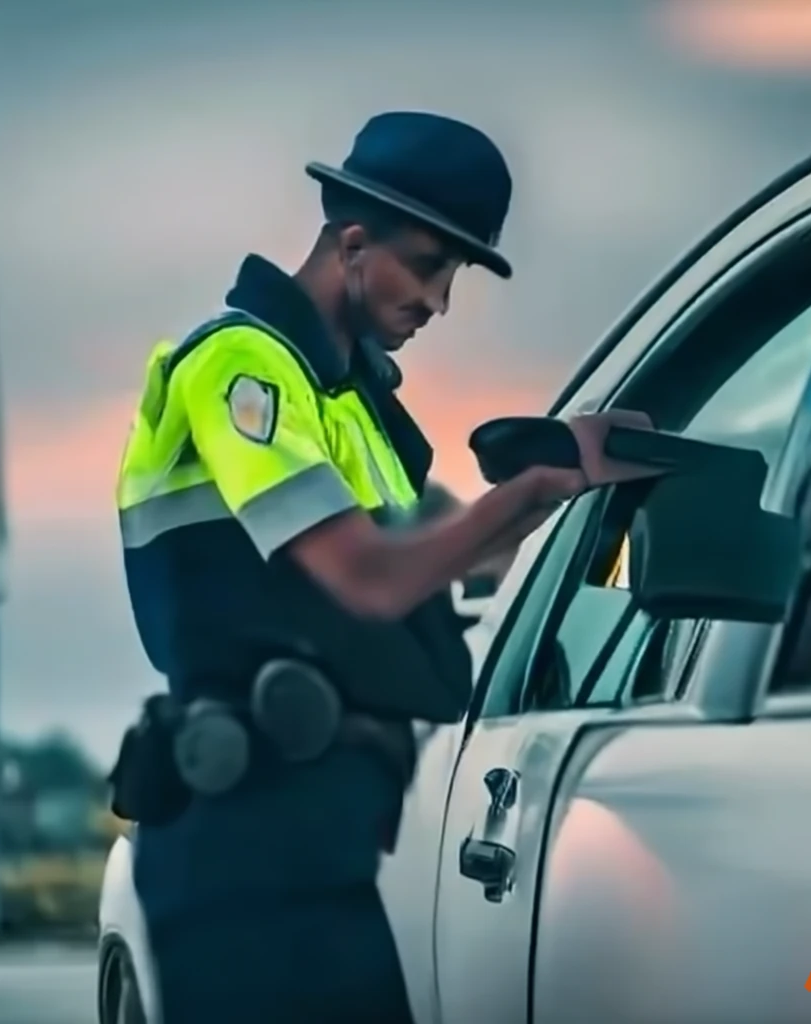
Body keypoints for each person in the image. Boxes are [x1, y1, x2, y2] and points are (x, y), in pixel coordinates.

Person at [112, 111, 619, 1024]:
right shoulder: (240, 367)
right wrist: (534, 488)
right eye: (430, 265)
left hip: (325, 847)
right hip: (238, 840)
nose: (441, 300)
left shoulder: (356, 411)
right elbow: (370, 577)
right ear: (354, 243)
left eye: (456, 274)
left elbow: (464, 559)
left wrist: (585, 476)